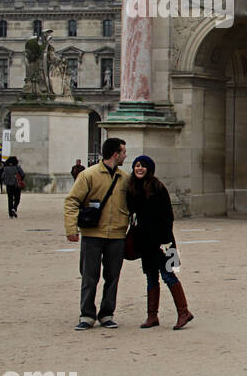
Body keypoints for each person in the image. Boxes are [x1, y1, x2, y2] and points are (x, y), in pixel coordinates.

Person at [64, 137, 129, 330]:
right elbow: (72, 201)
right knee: (89, 275)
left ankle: (107, 314)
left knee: (112, 276)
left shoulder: (125, 177)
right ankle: (87, 315)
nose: (125, 155)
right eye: (124, 152)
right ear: (115, 154)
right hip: (93, 232)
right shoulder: (88, 175)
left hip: (117, 233)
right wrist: (71, 229)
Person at [127, 155, 193, 329]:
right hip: (145, 241)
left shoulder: (158, 187)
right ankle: (152, 316)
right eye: (137, 166)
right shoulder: (132, 188)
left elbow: (167, 217)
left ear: (149, 169)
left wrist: (164, 242)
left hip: (164, 241)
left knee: (168, 275)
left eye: (143, 166)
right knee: (150, 276)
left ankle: (184, 311)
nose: (139, 169)